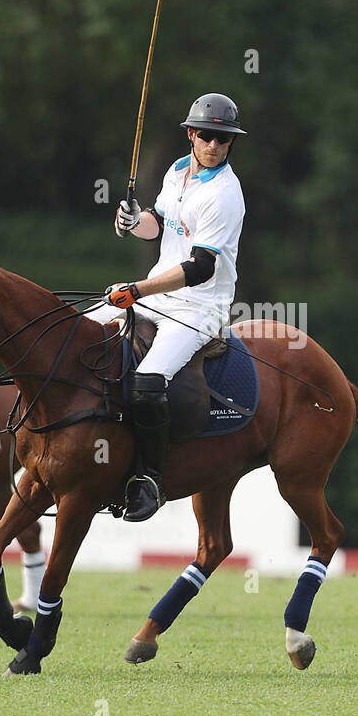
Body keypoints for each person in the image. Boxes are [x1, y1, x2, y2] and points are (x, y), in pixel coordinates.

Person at [87, 93, 248, 521]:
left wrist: (137, 290)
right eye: (207, 136)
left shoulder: (225, 194)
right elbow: (156, 224)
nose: (214, 145)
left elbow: (199, 268)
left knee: (148, 379)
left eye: (223, 139)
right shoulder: (177, 171)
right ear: (191, 134)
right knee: (78, 331)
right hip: (158, 295)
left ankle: (150, 479)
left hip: (200, 307)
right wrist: (131, 221)